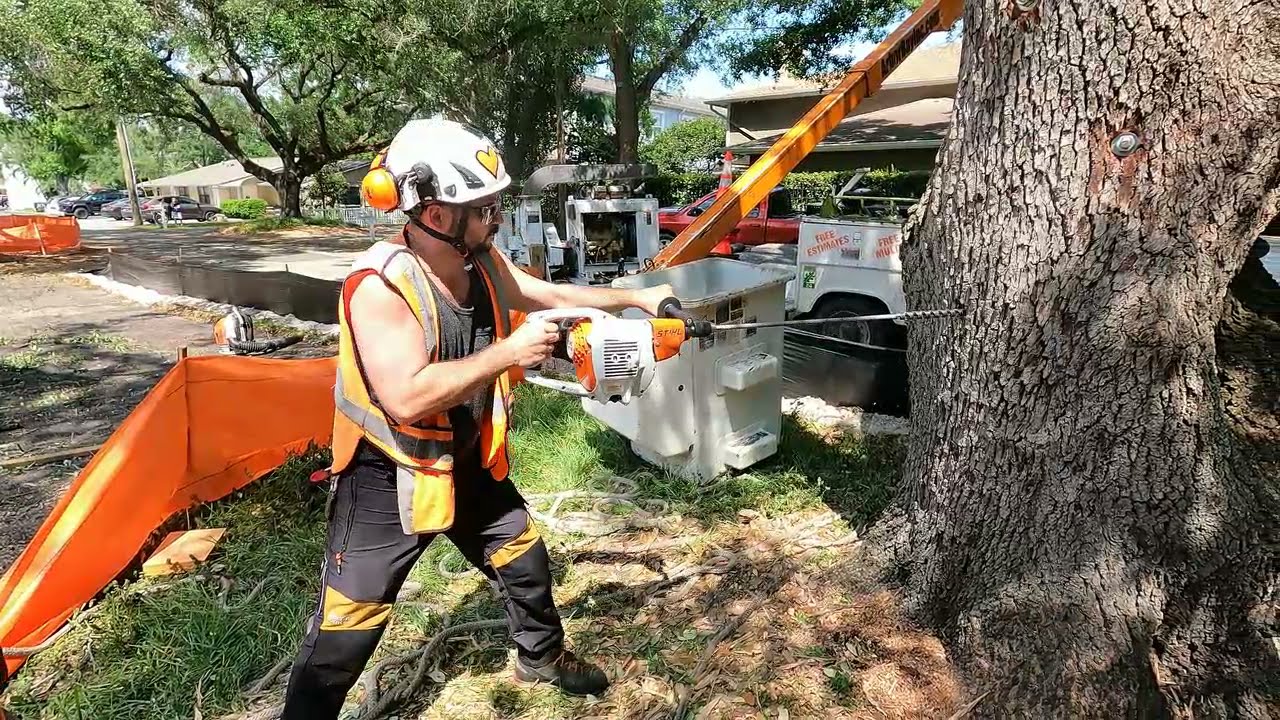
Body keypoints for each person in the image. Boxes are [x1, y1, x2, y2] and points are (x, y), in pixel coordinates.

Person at [280, 118, 674, 719]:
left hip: (463, 455)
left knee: (523, 553)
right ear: (436, 216)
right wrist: (510, 354)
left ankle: (540, 657)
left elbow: (543, 296)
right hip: (388, 473)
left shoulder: (479, 257)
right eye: (484, 208)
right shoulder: (378, 287)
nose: (496, 217)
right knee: (348, 628)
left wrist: (636, 298)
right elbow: (408, 398)